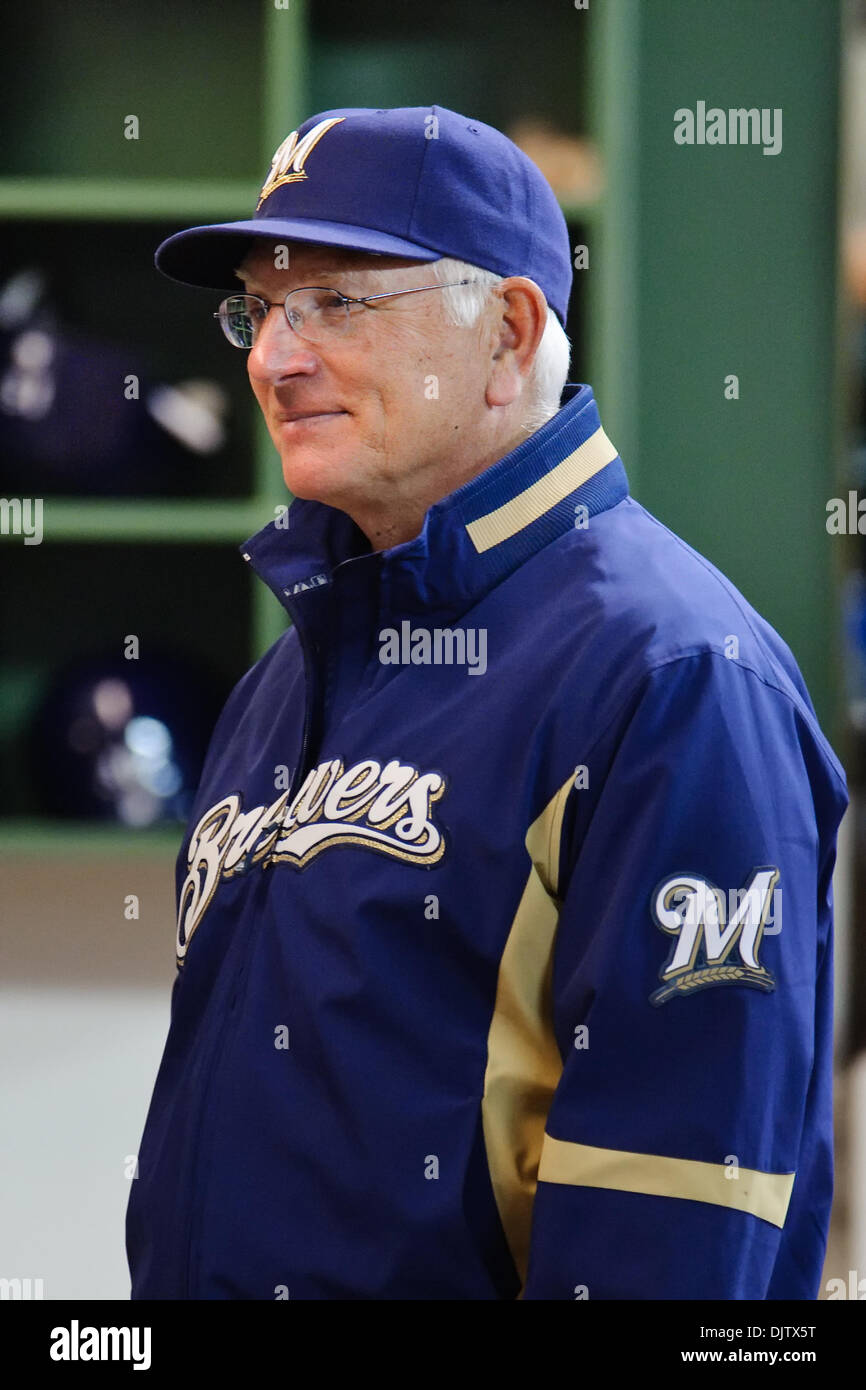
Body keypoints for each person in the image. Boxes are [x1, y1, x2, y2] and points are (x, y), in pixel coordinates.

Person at [126, 104, 849, 1300]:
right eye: (259, 307)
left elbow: (671, 1217)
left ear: (508, 331)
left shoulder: (675, 676)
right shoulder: (292, 670)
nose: (272, 356)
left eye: (335, 303)